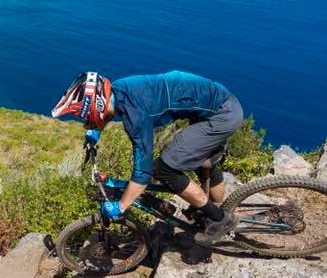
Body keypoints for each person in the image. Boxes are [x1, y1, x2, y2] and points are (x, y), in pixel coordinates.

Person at [51, 70, 244, 245]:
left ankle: (220, 219)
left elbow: (142, 175)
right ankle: (221, 207)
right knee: (203, 162)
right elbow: (107, 110)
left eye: (85, 116)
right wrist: (95, 131)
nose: (85, 121)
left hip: (222, 115)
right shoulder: (118, 90)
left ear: (96, 106)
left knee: (163, 169)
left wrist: (121, 205)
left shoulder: (136, 116)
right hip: (220, 102)